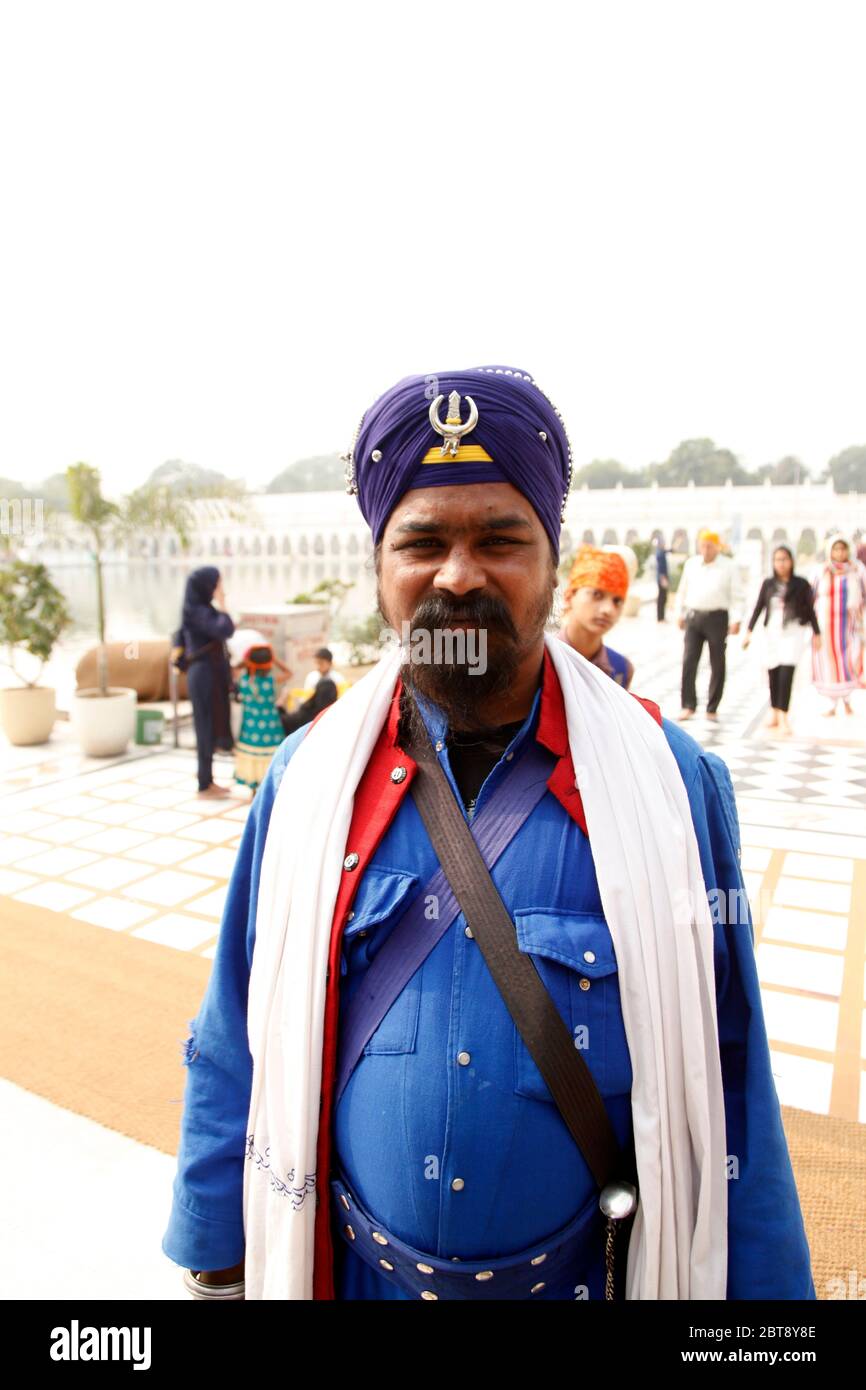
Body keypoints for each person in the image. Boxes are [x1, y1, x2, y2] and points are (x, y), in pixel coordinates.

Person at [163, 366, 813, 1302]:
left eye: (500, 540)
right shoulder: (308, 783)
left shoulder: (671, 787)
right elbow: (236, 1031)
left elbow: (732, 1067)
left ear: (552, 560)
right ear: (380, 571)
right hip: (358, 1277)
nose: (459, 574)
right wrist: (216, 1257)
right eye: (421, 542)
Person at [742, 546, 820, 734]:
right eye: (777, 560)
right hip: (772, 632)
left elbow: (810, 609)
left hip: (794, 632)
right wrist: (749, 631)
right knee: (773, 671)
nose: (781, 563)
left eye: (784, 559)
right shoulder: (768, 584)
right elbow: (759, 607)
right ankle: (774, 710)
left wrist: (817, 633)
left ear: (791, 561)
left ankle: (784, 715)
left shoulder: (801, 584)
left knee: (787, 671)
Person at [178, 567, 235, 799]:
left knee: (209, 727)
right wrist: (223, 603)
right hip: (204, 675)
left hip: (208, 673)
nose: (220, 589)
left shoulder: (198, 609)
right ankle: (204, 784)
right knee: (204, 728)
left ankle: (207, 779)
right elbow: (226, 628)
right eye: (217, 584)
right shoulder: (199, 612)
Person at [676, 530, 743, 722]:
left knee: (717, 663)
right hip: (694, 617)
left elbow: (738, 596)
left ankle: (712, 707)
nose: (706, 549)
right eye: (703, 545)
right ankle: (688, 705)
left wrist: (737, 619)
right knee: (689, 661)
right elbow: (682, 591)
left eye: (710, 546)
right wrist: (679, 614)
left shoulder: (728, 566)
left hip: (717, 618)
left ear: (717, 547)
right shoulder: (692, 564)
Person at [559, 545, 633, 688]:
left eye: (617, 601)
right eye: (597, 595)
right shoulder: (537, 660)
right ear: (569, 596)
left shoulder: (620, 669)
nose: (608, 610)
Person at [810, 534, 866, 716]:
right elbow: (811, 596)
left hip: (849, 626)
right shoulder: (822, 571)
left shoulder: (857, 570)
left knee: (850, 659)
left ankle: (848, 700)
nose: (840, 552)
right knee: (828, 663)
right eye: (836, 549)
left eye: (843, 549)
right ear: (830, 551)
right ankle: (832, 703)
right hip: (826, 626)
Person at [233, 644, 288, 794]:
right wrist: (274, 659)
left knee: (252, 756)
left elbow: (235, 669)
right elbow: (289, 673)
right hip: (271, 729)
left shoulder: (244, 681)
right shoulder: (270, 680)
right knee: (271, 757)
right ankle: (269, 789)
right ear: (268, 663)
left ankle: (254, 790)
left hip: (250, 730)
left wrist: (248, 661)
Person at [653, 537, 670, 623]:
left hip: (662, 578)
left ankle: (661, 617)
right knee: (661, 598)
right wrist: (663, 578)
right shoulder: (660, 553)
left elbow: (671, 550)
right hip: (662, 578)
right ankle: (660, 618)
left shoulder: (661, 552)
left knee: (663, 597)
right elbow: (661, 568)